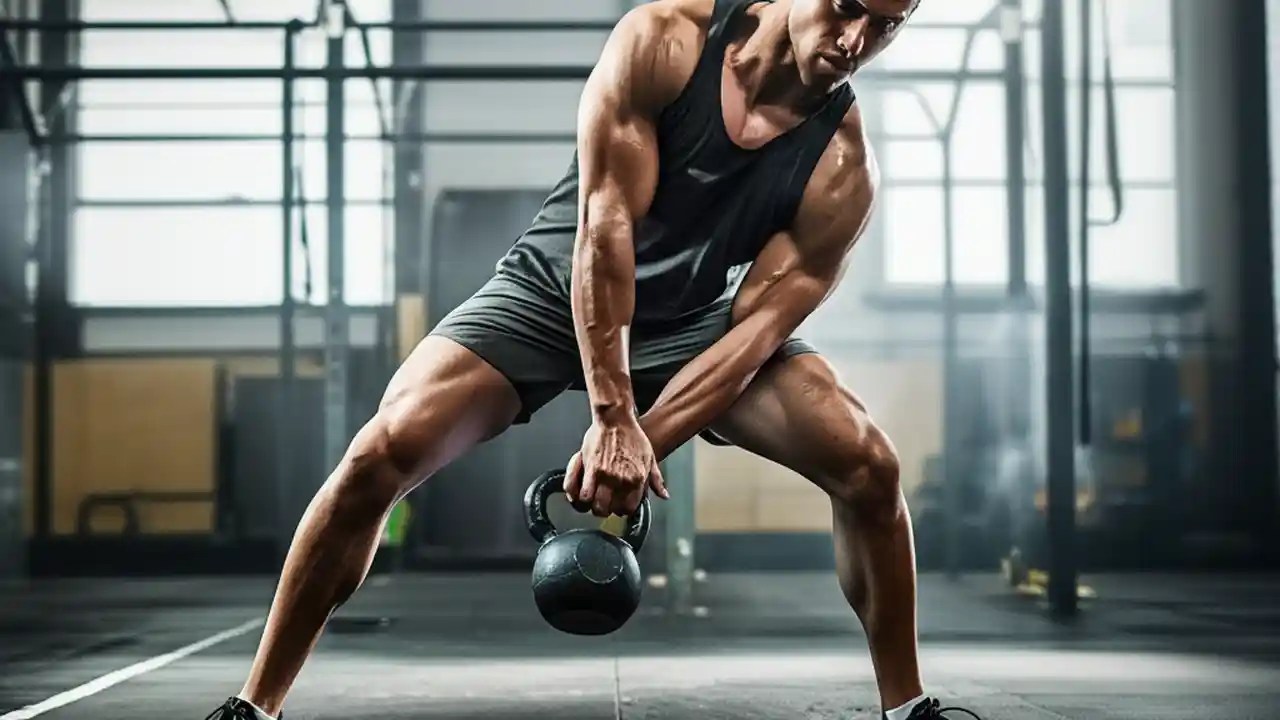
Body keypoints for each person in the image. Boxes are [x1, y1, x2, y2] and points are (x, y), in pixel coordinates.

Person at [207, 1, 982, 719]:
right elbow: (602, 232)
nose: (854, 41)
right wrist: (611, 415)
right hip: (554, 287)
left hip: (696, 325)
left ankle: (907, 710)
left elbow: (751, 338)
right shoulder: (664, 44)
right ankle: (254, 707)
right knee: (382, 452)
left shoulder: (842, 166)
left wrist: (641, 445)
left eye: (887, 24)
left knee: (870, 467)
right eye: (846, 5)